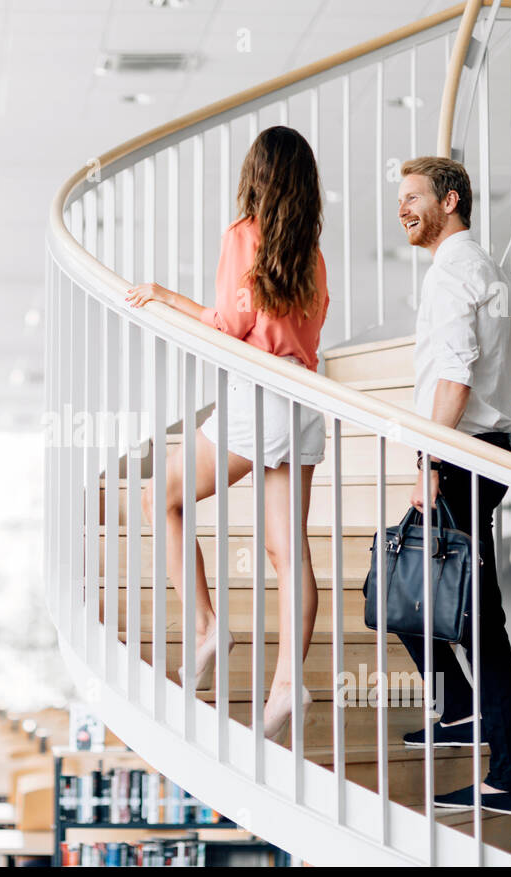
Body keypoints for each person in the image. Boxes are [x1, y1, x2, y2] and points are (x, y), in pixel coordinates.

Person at [124, 125, 329, 743]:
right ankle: (289, 683)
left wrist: (162, 296)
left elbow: (225, 326)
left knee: (161, 496)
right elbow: (307, 336)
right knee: (286, 551)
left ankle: (210, 625)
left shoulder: (245, 236)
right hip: (302, 397)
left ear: (256, 177)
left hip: (256, 395)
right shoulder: (311, 254)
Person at [395, 155, 511, 814]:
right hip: (481, 453)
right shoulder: (480, 267)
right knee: (465, 615)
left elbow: (455, 376)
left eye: (414, 196)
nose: (402, 208)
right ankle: (472, 723)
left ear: (450, 200)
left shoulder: (453, 274)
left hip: (462, 458)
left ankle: (501, 768)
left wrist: (429, 460)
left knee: (401, 591)